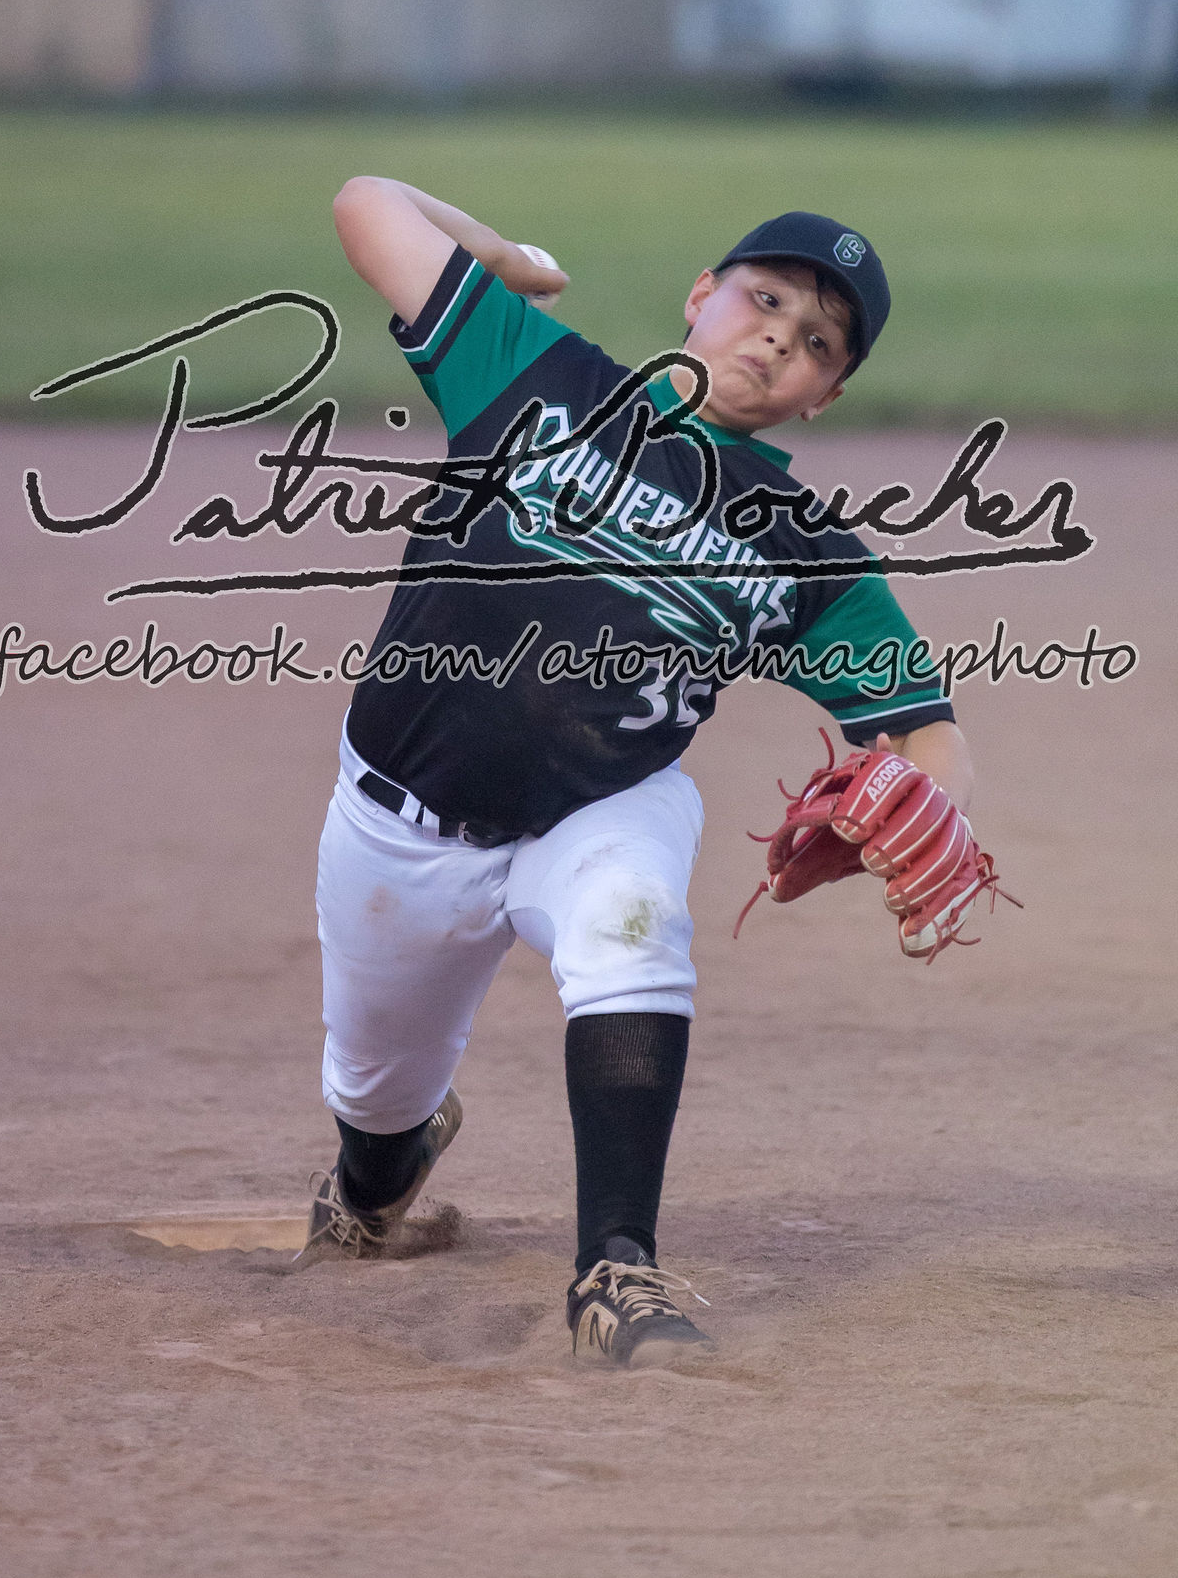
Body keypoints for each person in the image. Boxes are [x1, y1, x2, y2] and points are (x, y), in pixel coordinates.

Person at [289, 179, 974, 1366]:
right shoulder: (538, 374)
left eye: (818, 341)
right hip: (399, 826)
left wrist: (934, 810)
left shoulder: (803, 550)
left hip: (601, 805)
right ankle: (385, 1161)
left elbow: (919, 720)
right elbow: (365, 206)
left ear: (827, 397)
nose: (778, 338)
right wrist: (505, 257)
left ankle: (618, 1266)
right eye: (763, 300)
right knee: (375, 1104)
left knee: (634, 921)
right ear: (700, 297)